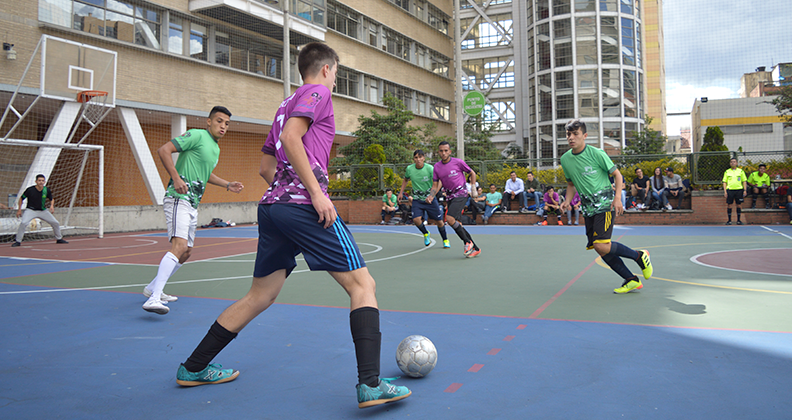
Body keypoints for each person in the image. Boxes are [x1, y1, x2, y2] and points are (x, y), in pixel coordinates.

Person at [174, 43, 411, 409]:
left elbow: (266, 166)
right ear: (328, 69)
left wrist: (287, 194)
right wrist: (315, 193)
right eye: (337, 73)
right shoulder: (318, 92)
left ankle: (193, 367)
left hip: (273, 208)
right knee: (363, 284)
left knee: (260, 296)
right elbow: (290, 140)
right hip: (304, 207)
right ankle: (371, 384)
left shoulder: (285, 105)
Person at [142, 106, 244, 315]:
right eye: (219, 121)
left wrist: (227, 184)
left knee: (186, 252)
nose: (223, 126)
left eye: (227, 123)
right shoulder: (197, 135)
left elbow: (206, 174)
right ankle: (153, 299)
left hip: (192, 203)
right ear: (209, 121)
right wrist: (177, 178)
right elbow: (164, 150)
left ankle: (153, 288)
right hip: (179, 198)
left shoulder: (215, 148)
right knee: (178, 246)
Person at [559, 119, 652, 294]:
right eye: (568, 134)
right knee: (599, 247)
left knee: (601, 244)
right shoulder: (565, 159)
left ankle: (640, 256)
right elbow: (571, 184)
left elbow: (617, 175)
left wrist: (617, 198)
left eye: (575, 134)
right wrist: (566, 200)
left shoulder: (596, 154)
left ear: (584, 136)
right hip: (588, 208)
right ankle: (631, 279)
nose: (571, 137)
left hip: (604, 204)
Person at [428, 141, 481, 258]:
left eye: (446, 150)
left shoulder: (458, 162)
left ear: (450, 151)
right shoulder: (436, 167)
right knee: (458, 224)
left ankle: (468, 242)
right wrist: (431, 195)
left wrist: (473, 188)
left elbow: (472, 173)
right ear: (438, 152)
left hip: (461, 193)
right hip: (450, 196)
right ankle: (475, 248)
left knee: (450, 219)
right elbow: (435, 185)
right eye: (441, 151)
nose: (443, 153)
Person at [398, 149, 450, 247]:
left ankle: (445, 239)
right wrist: (401, 193)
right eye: (416, 157)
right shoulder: (409, 169)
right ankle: (426, 233)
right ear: (413, 159)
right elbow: (405, 180)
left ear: (424, 158)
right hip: (417, 199)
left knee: (439, 221)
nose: (418, 160)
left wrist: (432, 195)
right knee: (416, 220)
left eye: (420, 157)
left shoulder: (430, 168)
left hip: (430, 199)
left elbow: (440, 181)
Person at [12, 174, 69, 247]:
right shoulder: (30, 190)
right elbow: (21, 198)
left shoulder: (46, 190)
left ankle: (59, 239)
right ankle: (18, 241)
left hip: (43, 211)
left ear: (44, 182)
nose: (41, 182)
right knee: (23, 223)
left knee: (55, 223)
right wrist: (19, 210)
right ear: (36, 181)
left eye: (42, 181)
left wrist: (52, 206)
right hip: (31, 210)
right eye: (39, 181)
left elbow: (51, 199)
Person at [722, 157, 747, 225]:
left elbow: (744, 181)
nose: (733, 163)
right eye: (731, 162)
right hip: (730, 190)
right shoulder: (727, 171)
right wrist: (725, 191)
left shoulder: (741, 171)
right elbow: (724, 182)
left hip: (739, 190)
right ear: (730, 163)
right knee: (729, 205)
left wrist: (744, 190)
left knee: (739, 205)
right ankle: (729, 220)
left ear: (737, 163)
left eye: (734, 162)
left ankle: (738, 220)